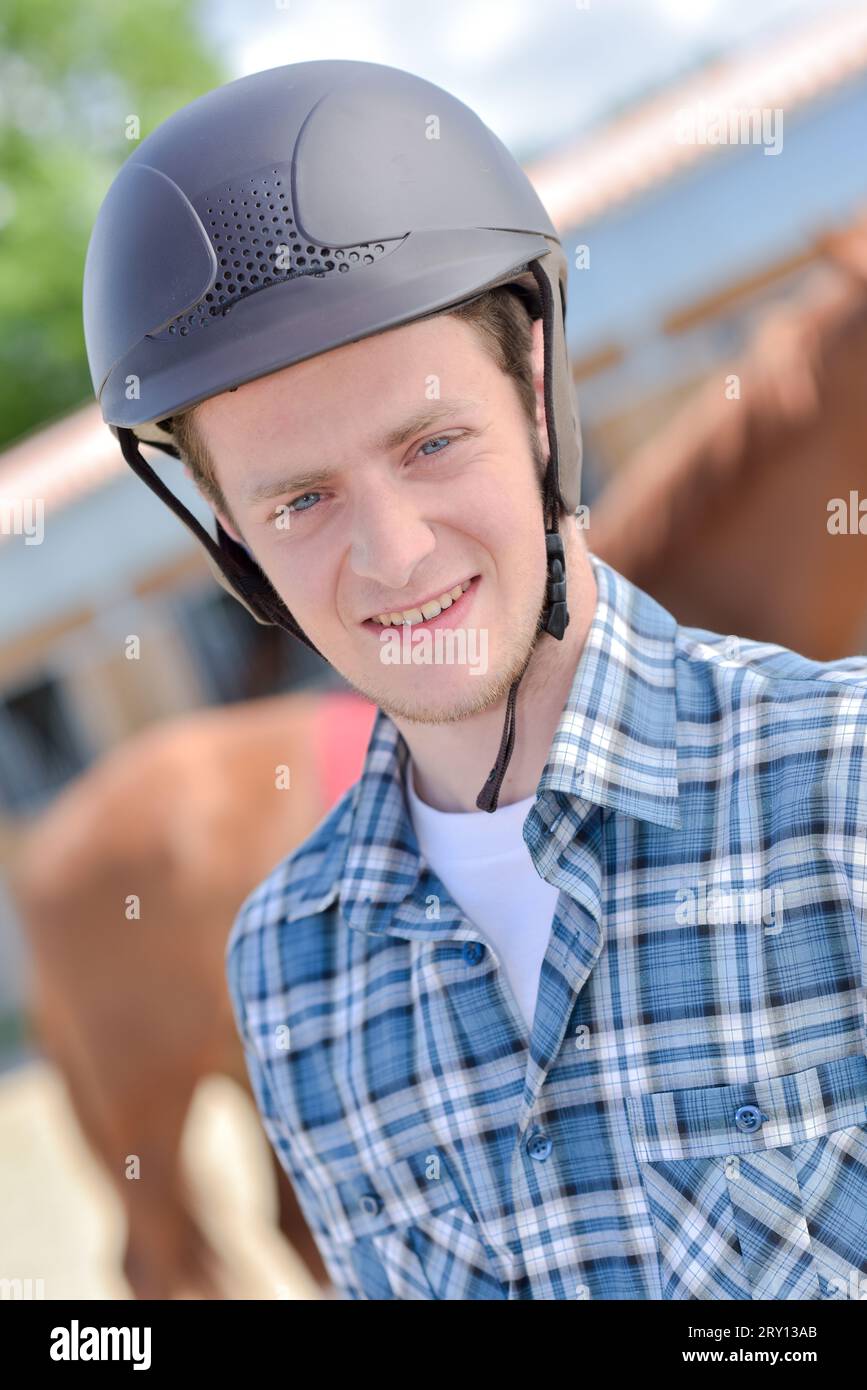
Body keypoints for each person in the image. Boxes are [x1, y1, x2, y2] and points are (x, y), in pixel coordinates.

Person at [83, 60, 867, 1301]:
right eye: (301, 501)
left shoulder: (847, 785)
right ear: (230, 542)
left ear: (540, 398)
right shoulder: (285, 970)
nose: (394, 555)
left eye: (433, 442)